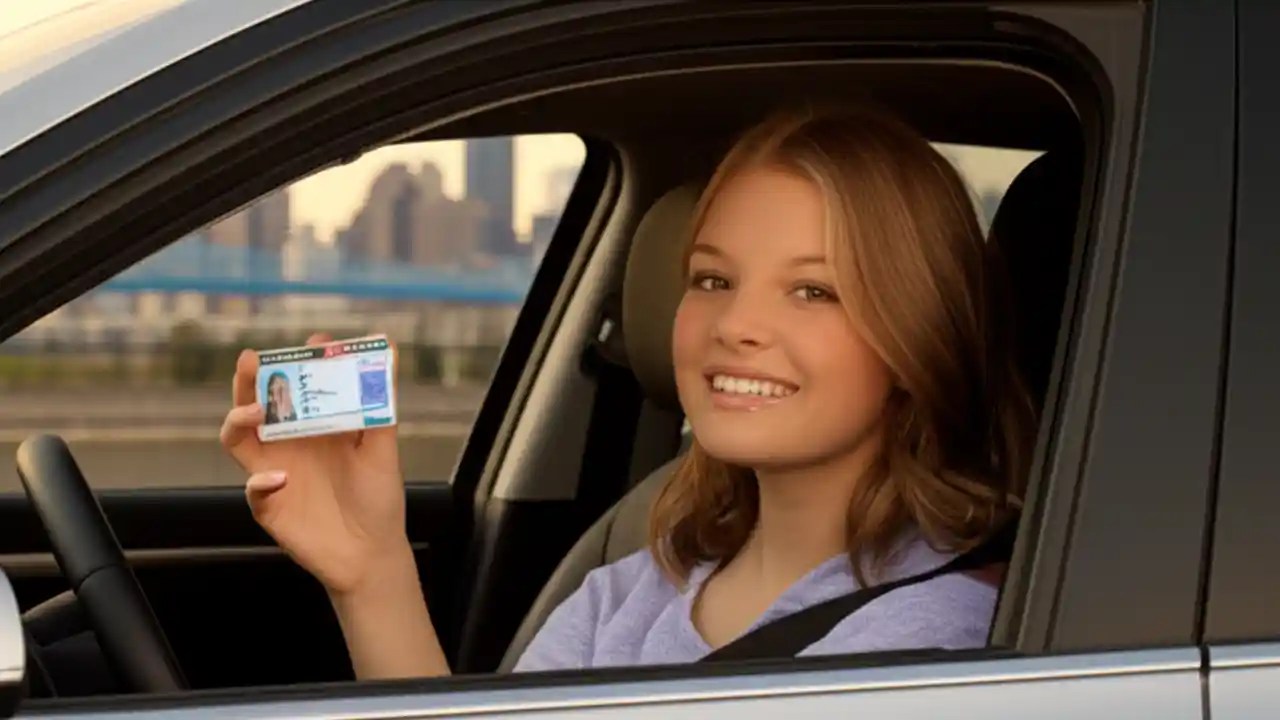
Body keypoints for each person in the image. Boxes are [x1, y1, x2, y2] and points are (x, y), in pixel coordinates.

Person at [219, 104, 1035, 679]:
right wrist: (372, 572)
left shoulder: (933, 639)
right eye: (713, 279)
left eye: (814, 291)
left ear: (915, 336)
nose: (736, 324)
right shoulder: (634, 587)